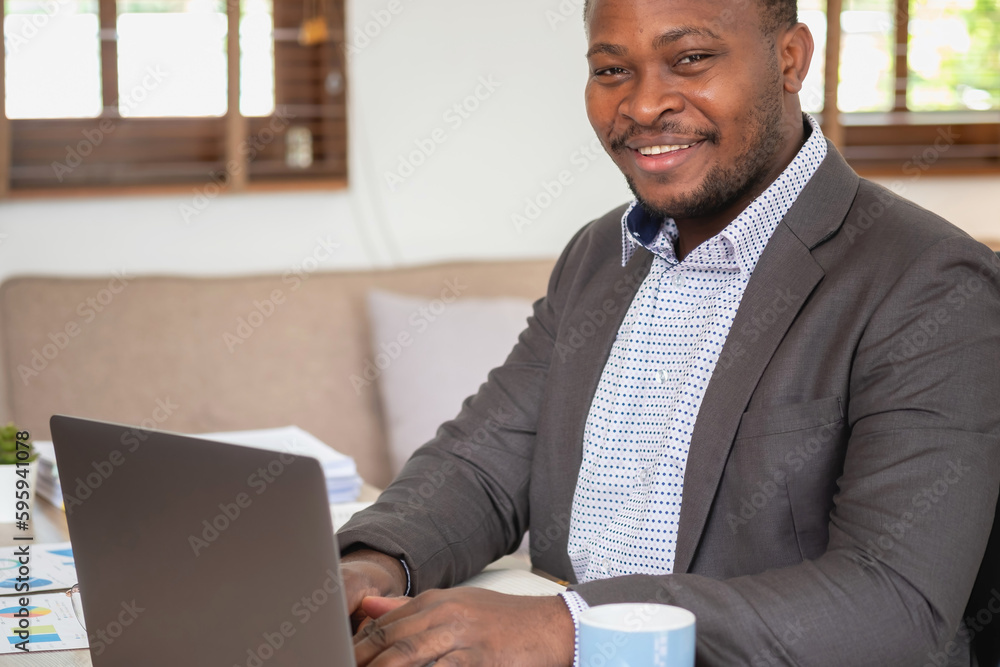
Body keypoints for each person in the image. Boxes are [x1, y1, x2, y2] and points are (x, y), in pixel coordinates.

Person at [337, 0, 1000, 664]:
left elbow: (893, 601)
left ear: (790, 58)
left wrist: (567, 626)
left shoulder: (931, 281)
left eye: (691, 59)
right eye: (611, 69)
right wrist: (371, 563)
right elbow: (481, 465)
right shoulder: (598, 255)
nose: (645, 104)